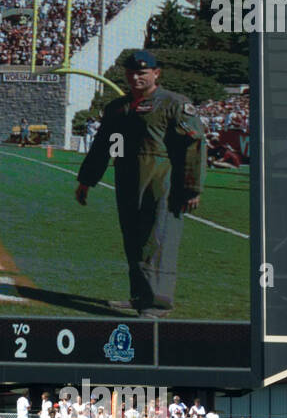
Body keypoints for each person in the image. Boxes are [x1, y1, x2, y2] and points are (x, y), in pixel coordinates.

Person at [74, 49, 205, 318]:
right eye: (131, 73)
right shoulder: (118, 109)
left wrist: (192, 187)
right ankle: (139, 296)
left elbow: (192, 146)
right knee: (133, 240)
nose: (136, 78)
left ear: (156, 73)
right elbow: (104, 147)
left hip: (162, 181)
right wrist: (87, 180)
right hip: (127, 181)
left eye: (142, 73)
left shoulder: (174, 104)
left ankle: (157, 303)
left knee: (158, 240)